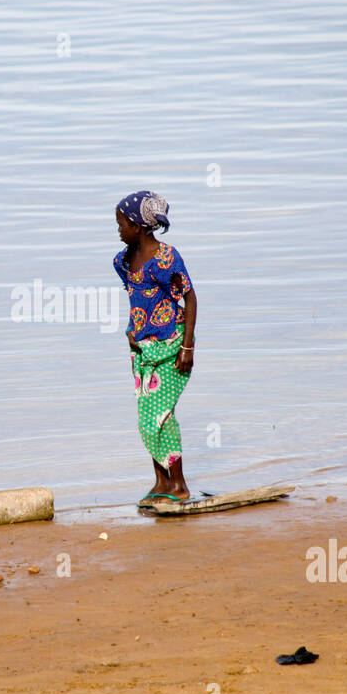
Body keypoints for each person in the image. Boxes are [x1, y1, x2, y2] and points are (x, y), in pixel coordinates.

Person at [113, 190, 197, 504]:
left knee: (160, 417)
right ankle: (161, 481)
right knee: (146, 419)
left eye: (121, 223)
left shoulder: (166, 258)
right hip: (142, 351)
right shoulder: (122, 260)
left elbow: (189, 299)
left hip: (172, 345)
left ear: (139, 225)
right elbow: (137, 299)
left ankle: (179, 485)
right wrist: (130, 331)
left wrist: (187, 349)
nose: (118, 229)